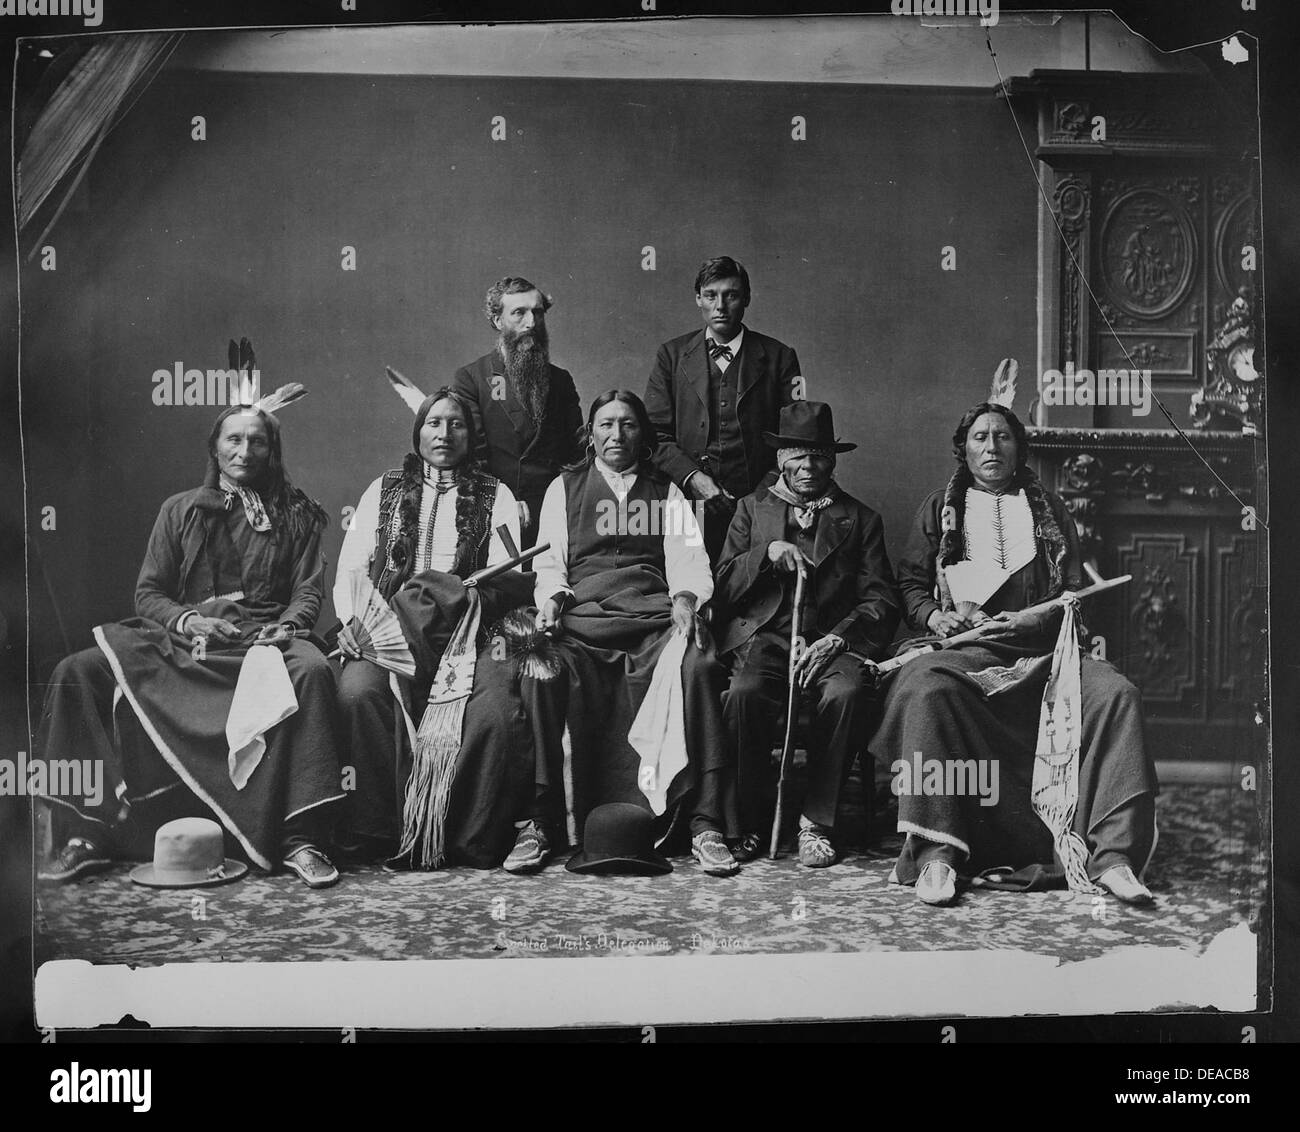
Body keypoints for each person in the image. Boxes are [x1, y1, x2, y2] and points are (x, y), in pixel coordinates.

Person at [35, 402, 345, 889]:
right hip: (186, 642)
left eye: (257, 440)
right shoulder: (179, 510)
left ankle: (300, 838)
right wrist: (188, 619)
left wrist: (287, 626)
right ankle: (87, 833)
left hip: (262, 643)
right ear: (215, 447)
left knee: (314, 670)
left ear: (272, 449)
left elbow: (307, 590)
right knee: (79, 670)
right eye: (234, 439)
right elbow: (149, 593)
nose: (245, 450)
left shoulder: (299, 515)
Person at [876, 401, 1159, 906]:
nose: (991, 447)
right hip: (966, 652)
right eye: (980, 438)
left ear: (1018, 448)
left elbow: (1072, 593)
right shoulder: (940, 507)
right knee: (926, 689)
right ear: (963, 450)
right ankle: (937, 854)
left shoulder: (1050, 507)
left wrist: (1035, 616)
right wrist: (937, 618)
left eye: (1002, 437)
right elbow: (911, 584)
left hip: (1043, 651)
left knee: (1117, 693)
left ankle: (1112, 858)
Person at [529, 389, 740, 876]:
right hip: (584, 618)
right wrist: (554, 600)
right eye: (605, 424)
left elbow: (689, 561)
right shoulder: (565, 488)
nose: (616, 435)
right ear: (590, 433)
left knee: (702, 665)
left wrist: (686, 598)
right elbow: (550, 563)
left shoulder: (664, 491)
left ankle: (704, 823)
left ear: (642, 433)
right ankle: (541, 822)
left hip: (651, 618)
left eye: (627, 424)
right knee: (539, 672)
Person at [333, 386, 541, 870]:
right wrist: (353, 623)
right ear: (418, 430)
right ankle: (381, 830)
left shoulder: (497, 495)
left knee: (494, 711)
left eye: (457, 424)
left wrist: (451, 599)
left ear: (472, 435)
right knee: (357, 695)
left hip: (473, 634)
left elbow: (508, 577)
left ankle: (463, 836)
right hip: (389, 632)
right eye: (434, 423)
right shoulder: (383, 489)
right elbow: (352, 569)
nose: (444, 433)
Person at [715, 401, 901, 866]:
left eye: (818, 455)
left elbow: (882, 600)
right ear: (780, 460)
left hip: (832, 644)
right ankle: (751, 821)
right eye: (797, 455)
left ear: (832, 460)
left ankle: (817, 824)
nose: (808, 466)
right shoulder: (750, 511)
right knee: (744, 692)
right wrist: (765, 553)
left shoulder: (860, 519)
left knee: (846, 693)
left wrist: (839, 638)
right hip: (766, 639)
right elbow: (721, 586)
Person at [643, 256, 802, 560]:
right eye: (711, 295)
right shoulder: (671, 356)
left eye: (731, 295)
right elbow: (655, 436)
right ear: (698, 299)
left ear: (746, 300)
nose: (720, 306)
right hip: (687, 503)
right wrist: (693, 478)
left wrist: (761, 496)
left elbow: (793, 440)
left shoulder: (780, 357)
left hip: (760, 502)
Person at [450, 276, 585, 548]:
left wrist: (563, 506)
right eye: (519, 313)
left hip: (555, 515)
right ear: (498, 321)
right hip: (493, 515)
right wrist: (502, 501)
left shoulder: (561, 380)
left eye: (537, 312)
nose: (531, 323)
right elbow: (471, 457)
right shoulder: (471, 379)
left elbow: (576, 455)